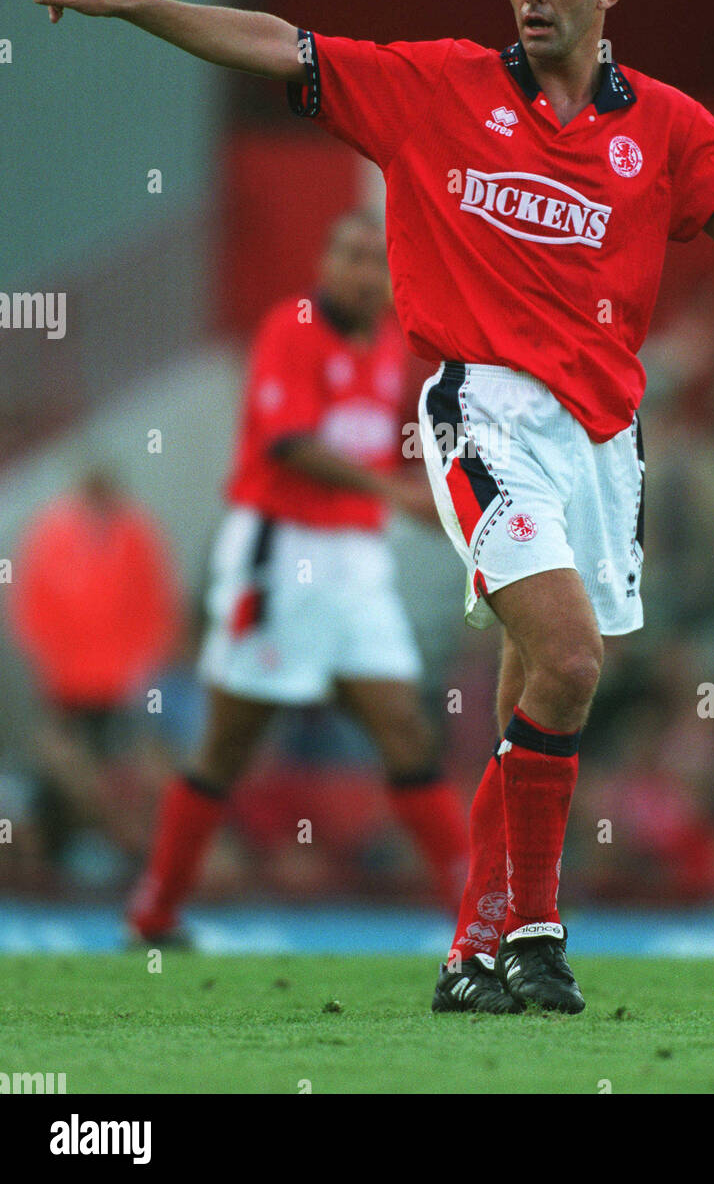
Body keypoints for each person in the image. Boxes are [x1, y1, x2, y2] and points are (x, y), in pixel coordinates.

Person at [23, 0, 714, 1013]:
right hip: (483, 411)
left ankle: (471, 954)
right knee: (566, 658)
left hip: (606, 440)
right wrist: (132, 3)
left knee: (538, 699)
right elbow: (281, 45)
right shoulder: (437, 86)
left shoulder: (665, 125)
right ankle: (538, 933)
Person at [127, 210, 468, 943]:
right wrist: (396, 494)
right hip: (282, 556)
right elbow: (287, 443)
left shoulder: (384, 343)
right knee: (229, 743)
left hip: (356, 565)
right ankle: (154, 911)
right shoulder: (294, 324)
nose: (354, 269)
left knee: (406, 729)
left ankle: (477, 922)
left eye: (371, 259)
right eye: (343, 253)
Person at [6, 468, 183, 864]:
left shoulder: (136, 535)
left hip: (122, 684)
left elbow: (156, 603)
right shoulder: (51, 535)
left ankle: (130, 851)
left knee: (133, 768)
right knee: (64, 767)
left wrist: (141, 666)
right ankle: (63, 849)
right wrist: (51, 665)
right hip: (67, 685)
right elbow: (33, 608)